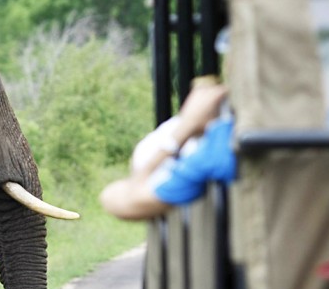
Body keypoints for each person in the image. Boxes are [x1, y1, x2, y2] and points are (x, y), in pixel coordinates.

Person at [99, 79, 233, 221]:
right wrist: (187, 127)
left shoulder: (205, 157)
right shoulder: (206, 157)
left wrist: (186, 128)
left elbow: (121, 200)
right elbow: (115, 200)